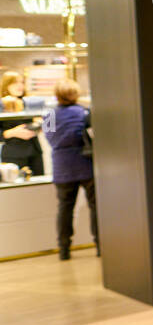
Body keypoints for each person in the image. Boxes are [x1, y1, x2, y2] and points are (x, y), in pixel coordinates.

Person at [43, 79, 97, 260]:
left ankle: (64, 249)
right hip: (85, 164)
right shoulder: (83, 111)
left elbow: (49, 138)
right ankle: (100, 245)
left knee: (65, 208)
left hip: (61, 165)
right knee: (95, 207)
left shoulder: (49, 113)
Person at [1, 72, 44, 176]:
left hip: (35, 152)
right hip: (13, 155)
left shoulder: (30, 102)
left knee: (39, 188)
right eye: (15, 82)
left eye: (22, 82)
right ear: (6, 85)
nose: (20, 86)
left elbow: (49, 124)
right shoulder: (1, 104)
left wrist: (39, 125)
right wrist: (12, 132)